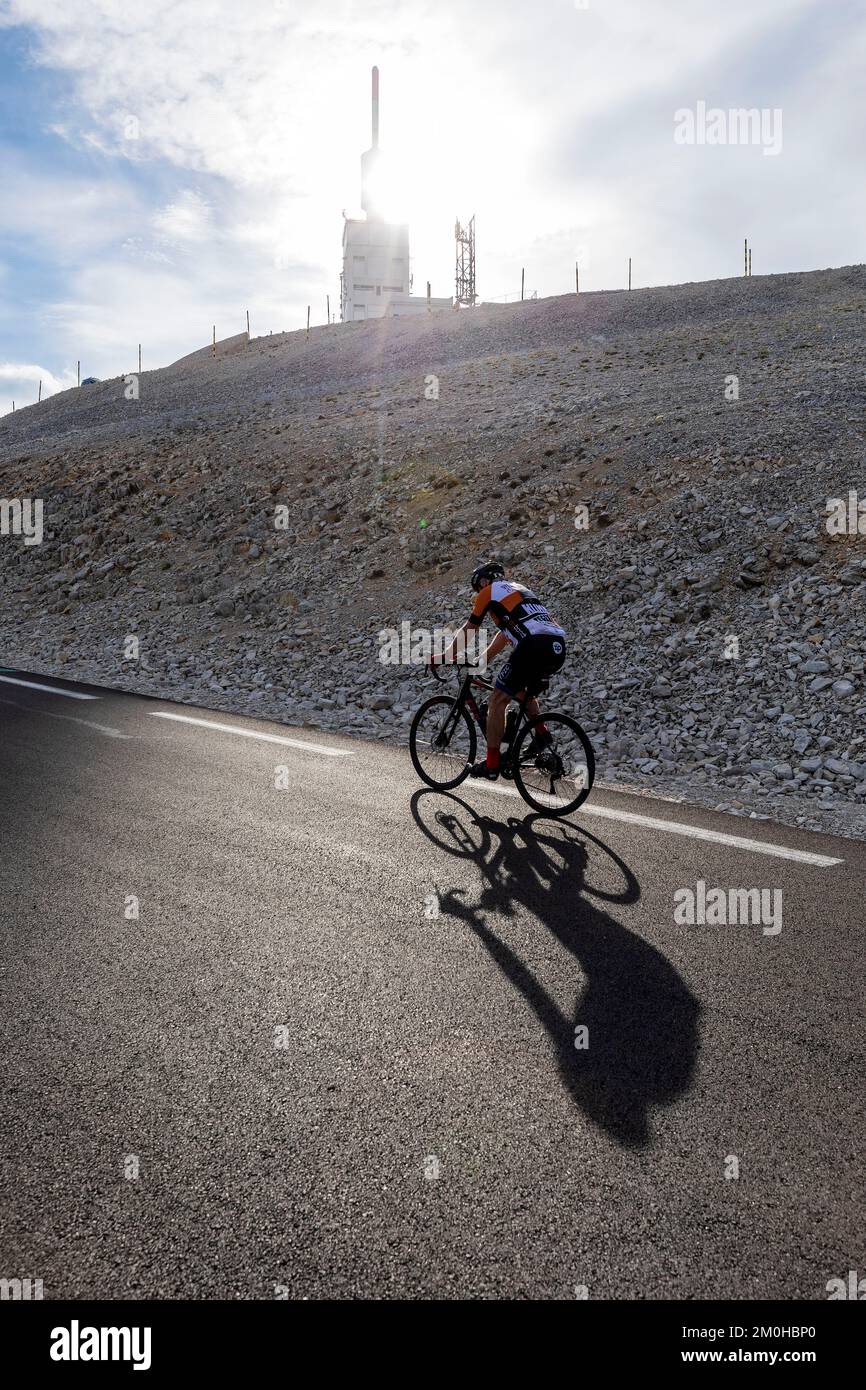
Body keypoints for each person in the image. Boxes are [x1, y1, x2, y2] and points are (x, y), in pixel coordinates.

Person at [434, 562, 566, 779]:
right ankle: (542, 734)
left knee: (497, 699)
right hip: (557, 646)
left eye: (478, 587)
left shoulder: (489, 592)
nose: (478, 593)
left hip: (534, 646)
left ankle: (492, 764)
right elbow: (505, 635)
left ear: (484, 581)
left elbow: (470, 629)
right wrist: (482, 659)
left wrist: (445, 656)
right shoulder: (519, 590)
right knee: (523, 692)